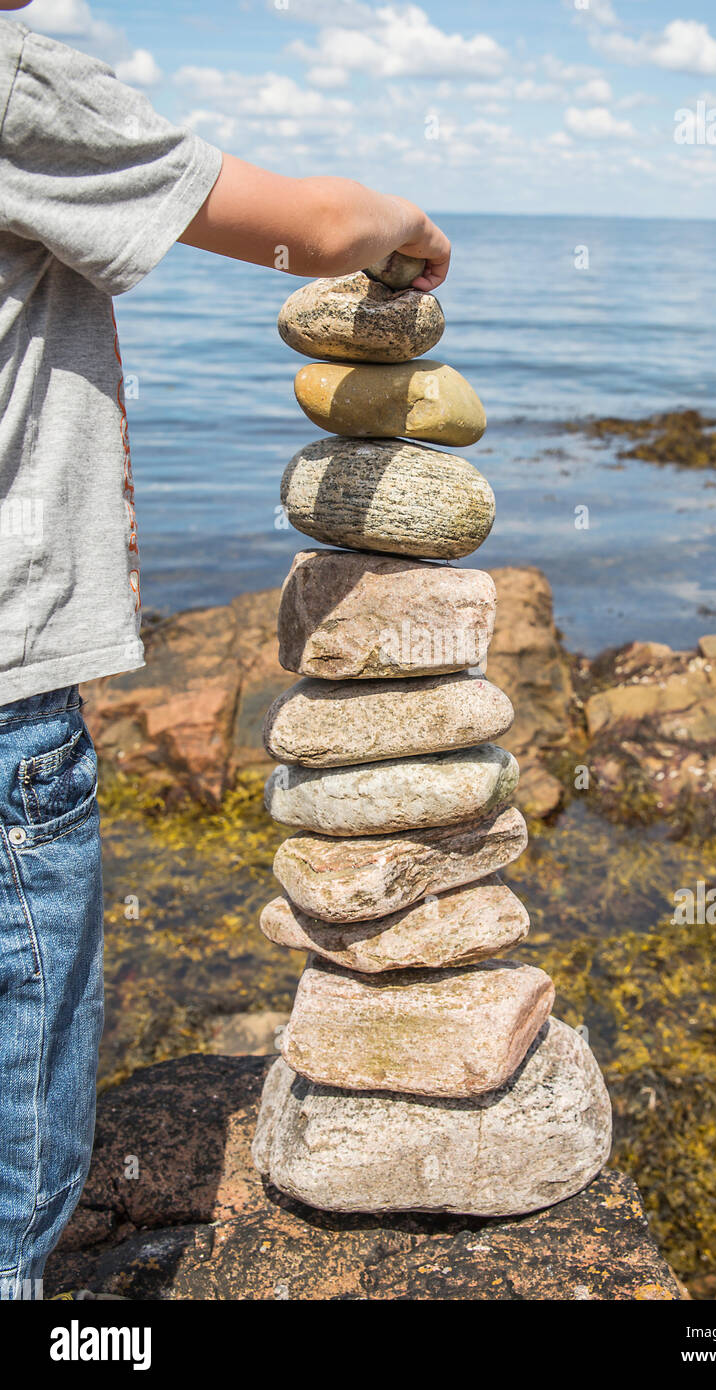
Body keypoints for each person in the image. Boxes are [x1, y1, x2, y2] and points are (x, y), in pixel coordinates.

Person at [0, 0, 450, 1297]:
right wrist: (405, 234)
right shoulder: (19, 78)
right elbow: (297, 228)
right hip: (13, 694)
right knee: (24, 1084)